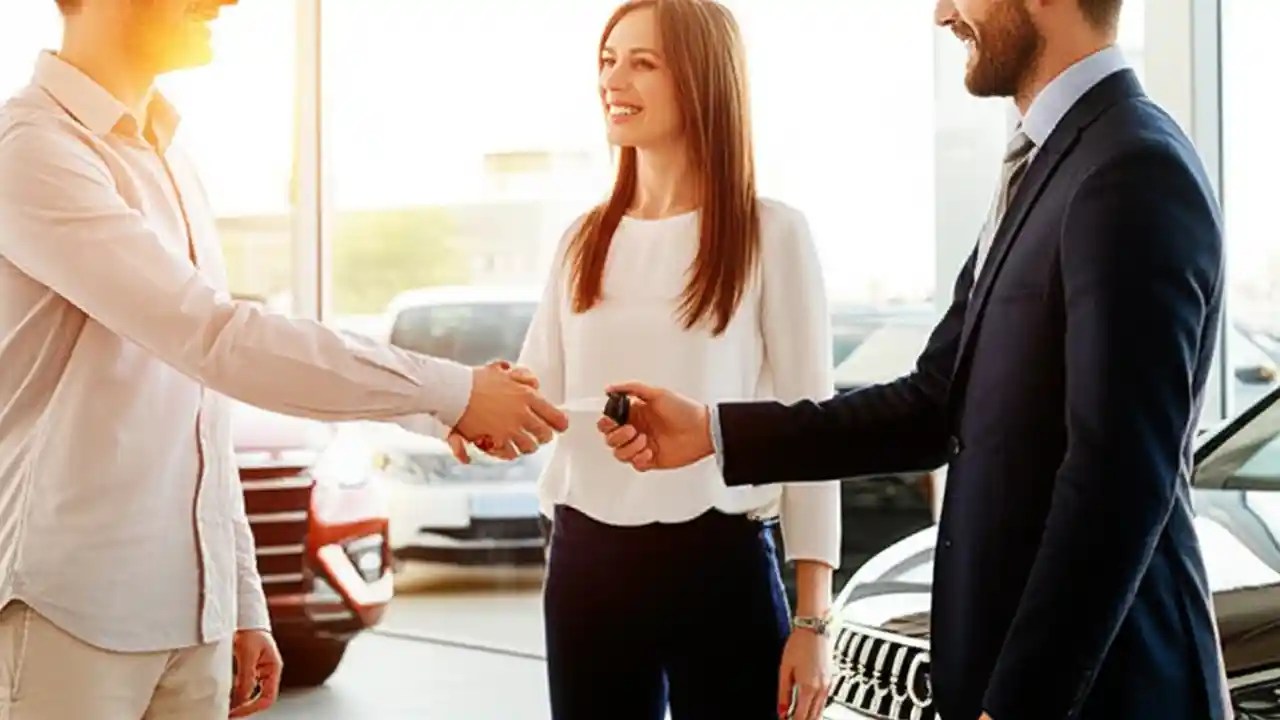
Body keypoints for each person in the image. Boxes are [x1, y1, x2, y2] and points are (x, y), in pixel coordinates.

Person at [599, 0, 1232, 718]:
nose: (942, 14)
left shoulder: (1132, 167)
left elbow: (1118, 483)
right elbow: (935, 402)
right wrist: (713, 432)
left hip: (1106, 695)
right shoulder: (1050, 164)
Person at [0, 1, 566, 718]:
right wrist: (450, 394)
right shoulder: (35, 149)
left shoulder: (169, 155)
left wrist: (238, 596)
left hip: (188, 621)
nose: (225, 3)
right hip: (68, 616)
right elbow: (217, 339)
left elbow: (201, 401)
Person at [449, 1, 839, 718]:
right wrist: (466, 409)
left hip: (723, 564)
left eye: (641, 62)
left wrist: (814, 622)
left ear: (701, 80)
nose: (612, 79)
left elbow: (809, 433)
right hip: (586, 565)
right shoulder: (582, 240)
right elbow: (537, 402)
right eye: (607, 60)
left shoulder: (771, 234)